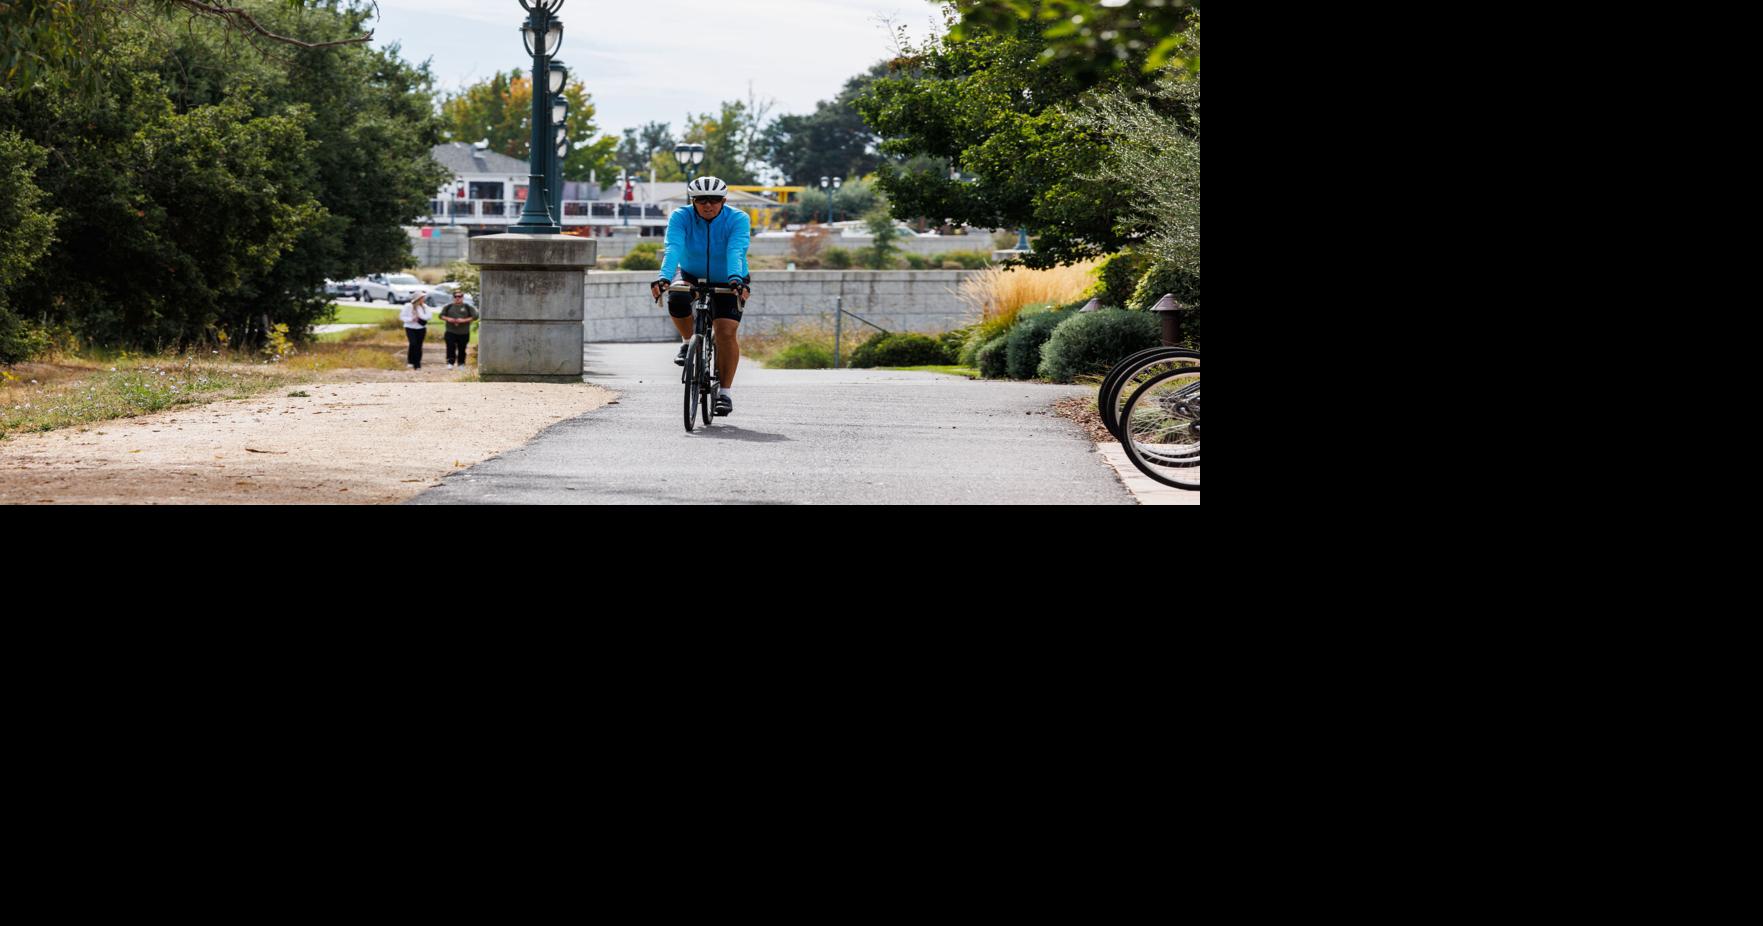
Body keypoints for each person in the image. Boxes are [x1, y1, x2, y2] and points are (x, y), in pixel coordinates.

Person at [648, 175, 751, 416]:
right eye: (701, 200)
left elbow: (736, 248)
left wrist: (736, 278)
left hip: (730, 277)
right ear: (692, 201)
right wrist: (663, 277)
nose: (708, 205)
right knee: (678, 295)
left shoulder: (738, 219)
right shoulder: (680, 217)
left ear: (724, 201)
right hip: (691, 273)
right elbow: (673, 247)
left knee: (726, 332)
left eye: (714, 200)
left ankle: (724, 393)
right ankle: (687, 342)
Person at [438, 289, 478, 370]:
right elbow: (441, 315)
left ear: (462, 297)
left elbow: (475, 316)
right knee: (450, 347)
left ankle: (461, 364)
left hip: (464, 332)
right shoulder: (448, 306)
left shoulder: (467, 307)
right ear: (453, 297)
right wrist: (448, 319)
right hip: (450, 331)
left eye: (460, 296)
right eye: (456, 296)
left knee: (462, 348)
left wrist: (463, 320)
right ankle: (450, 363)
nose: (457, 298)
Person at [400, 291, 431, 369]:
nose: (423, 299)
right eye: (421, 298)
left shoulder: (424, 307)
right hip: (410, 328)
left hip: (421, 328)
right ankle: (411, 361)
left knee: (419, 345)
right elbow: (402, 317)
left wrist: (419, 316)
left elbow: (428, 317)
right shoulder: (408, 306)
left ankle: (417, 363)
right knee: (413, 343)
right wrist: (411, 319)